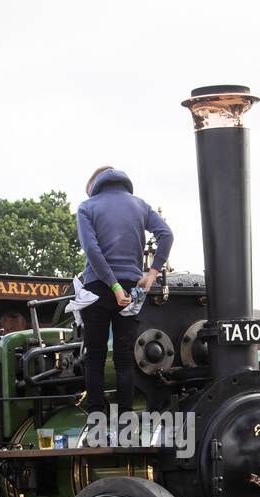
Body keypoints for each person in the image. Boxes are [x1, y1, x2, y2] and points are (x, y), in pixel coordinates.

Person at [76, 166, 173, 419]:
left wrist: (111, 284)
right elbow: (167, 234)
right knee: (125, 358)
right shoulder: (140, 205)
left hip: (97, 287)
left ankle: (96, 420)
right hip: (133, 286)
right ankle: (126, 424)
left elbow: (92, 250)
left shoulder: (87, 207)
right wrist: (151, 274)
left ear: (94, 186)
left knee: (94, 356)